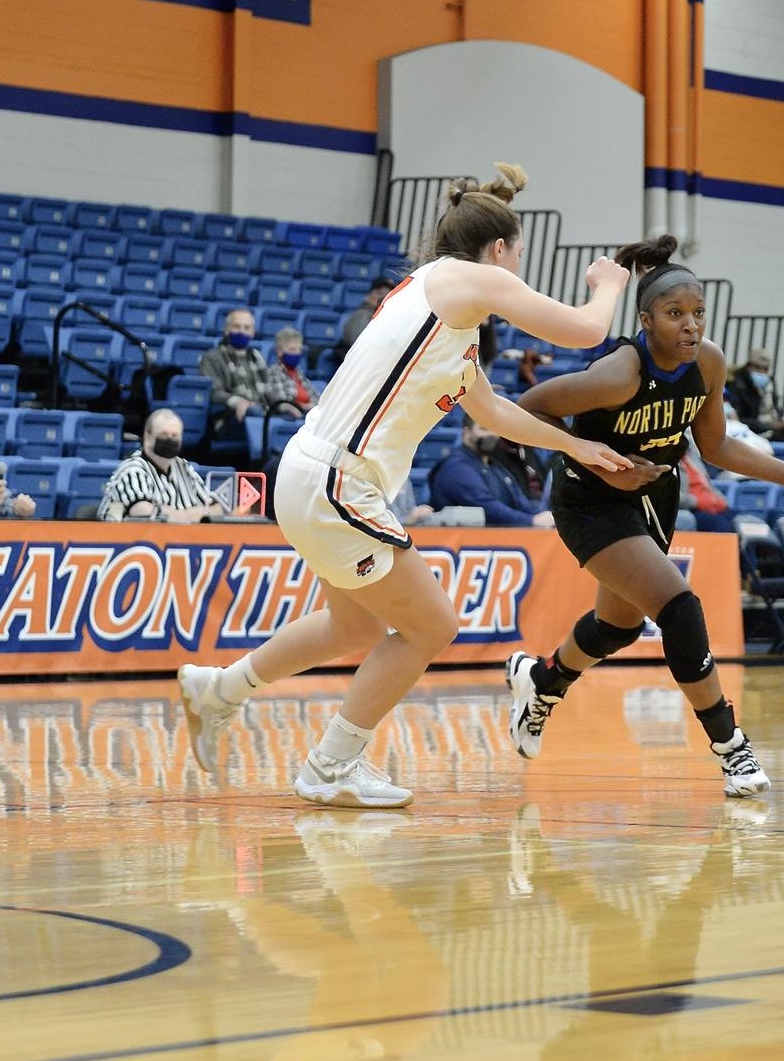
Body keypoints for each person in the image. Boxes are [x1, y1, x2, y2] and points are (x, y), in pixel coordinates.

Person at [175, 163, 632, 809]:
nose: (516, 270)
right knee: (430, 626)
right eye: (518, 254)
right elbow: (589, 330)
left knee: (352, 623)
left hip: (314, 472)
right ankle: (332, 765)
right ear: (499, 249)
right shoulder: (466, 277)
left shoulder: (438, 305)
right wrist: (607, 284)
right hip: (338, 479)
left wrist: (576, 444)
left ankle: (218, 691)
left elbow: (495, 412)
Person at [506, 235, 784, 797]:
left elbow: (718, 448)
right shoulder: (620, 374)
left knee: (618, 626)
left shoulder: (710, 363)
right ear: (646, 320)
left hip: (654, 494)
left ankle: (540, 682)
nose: (692, 326)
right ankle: (731, 748)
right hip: (590, 497)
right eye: (676, 314)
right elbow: (526, 410)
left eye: (698, 313)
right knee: (679, 606)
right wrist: (600, 465)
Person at [99, 409, 225, 522]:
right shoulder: (132, 469)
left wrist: (172, 515)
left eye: (175, 436)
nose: (170, 440)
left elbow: (217, 509)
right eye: (164, 435)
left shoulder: (184, 467)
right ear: (147, 436)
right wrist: (192, 515)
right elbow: (142, 511)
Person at [428, 415, 553, 528]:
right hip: (464, 544)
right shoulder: (456, 467)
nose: (491, 435)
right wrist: (531, 521)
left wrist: (546, 516)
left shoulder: (494, 466)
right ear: (466, 432)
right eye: (483, 429)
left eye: (494, 429)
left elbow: (521, 503)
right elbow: (487, 508)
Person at [199, 308, 299, 435]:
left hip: (261, 414)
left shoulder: (256, 356)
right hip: (230, 416)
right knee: (254, 412)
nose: (242, 331)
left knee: (293, 415)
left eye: (247, 327)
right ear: (226, 330)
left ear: (252, 332)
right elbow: (214, 392)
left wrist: (283, 405)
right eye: (237, 326)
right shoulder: (212, 357)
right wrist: (237, 401)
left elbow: (268, 391)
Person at [726, 349, 784, 441]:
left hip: (770, 431)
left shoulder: (770, 384)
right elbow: (737, 419)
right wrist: (768, 426)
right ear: (749, 367)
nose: (761, 373)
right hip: (749, 434)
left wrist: (782, 423)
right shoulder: (737, 384)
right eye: (757, 368)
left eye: (765, 369)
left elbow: (776, 409)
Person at [264, 326, 317, 420]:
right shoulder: (273, 372)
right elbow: (282, 400)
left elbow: (316, 398)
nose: (297, 353)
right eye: (292, 349)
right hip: (291, 416)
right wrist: (303, 407)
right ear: (279, 352)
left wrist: (312, 407)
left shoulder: (299, 374)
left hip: (309, 415)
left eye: (299, 349)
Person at [338, 277, 395, 357]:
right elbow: (359, 345)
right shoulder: (362, 315)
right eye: (379, 293)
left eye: (386, 296)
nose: (381, 299)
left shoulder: (386, 317)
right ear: (368, 295)